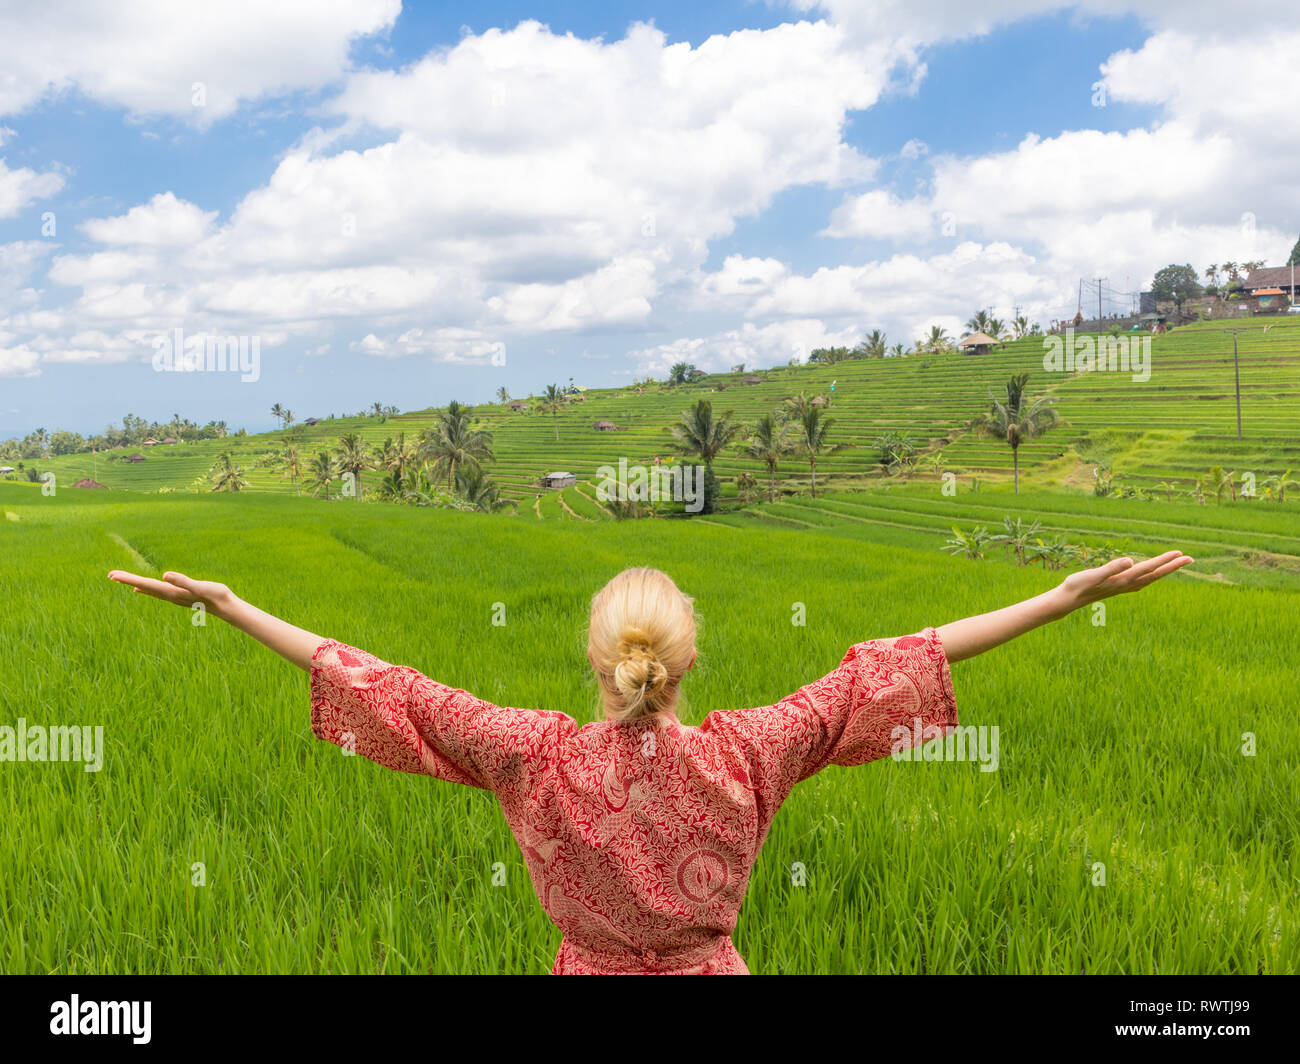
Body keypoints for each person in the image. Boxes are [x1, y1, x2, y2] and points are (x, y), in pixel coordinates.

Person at [107, 552, 1192, 974]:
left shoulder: (529, 755)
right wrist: (1062, 598)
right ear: (688, 661)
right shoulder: (749, 751)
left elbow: (378, 681)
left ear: (597, 659)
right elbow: (895, 664)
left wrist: (233, 605)